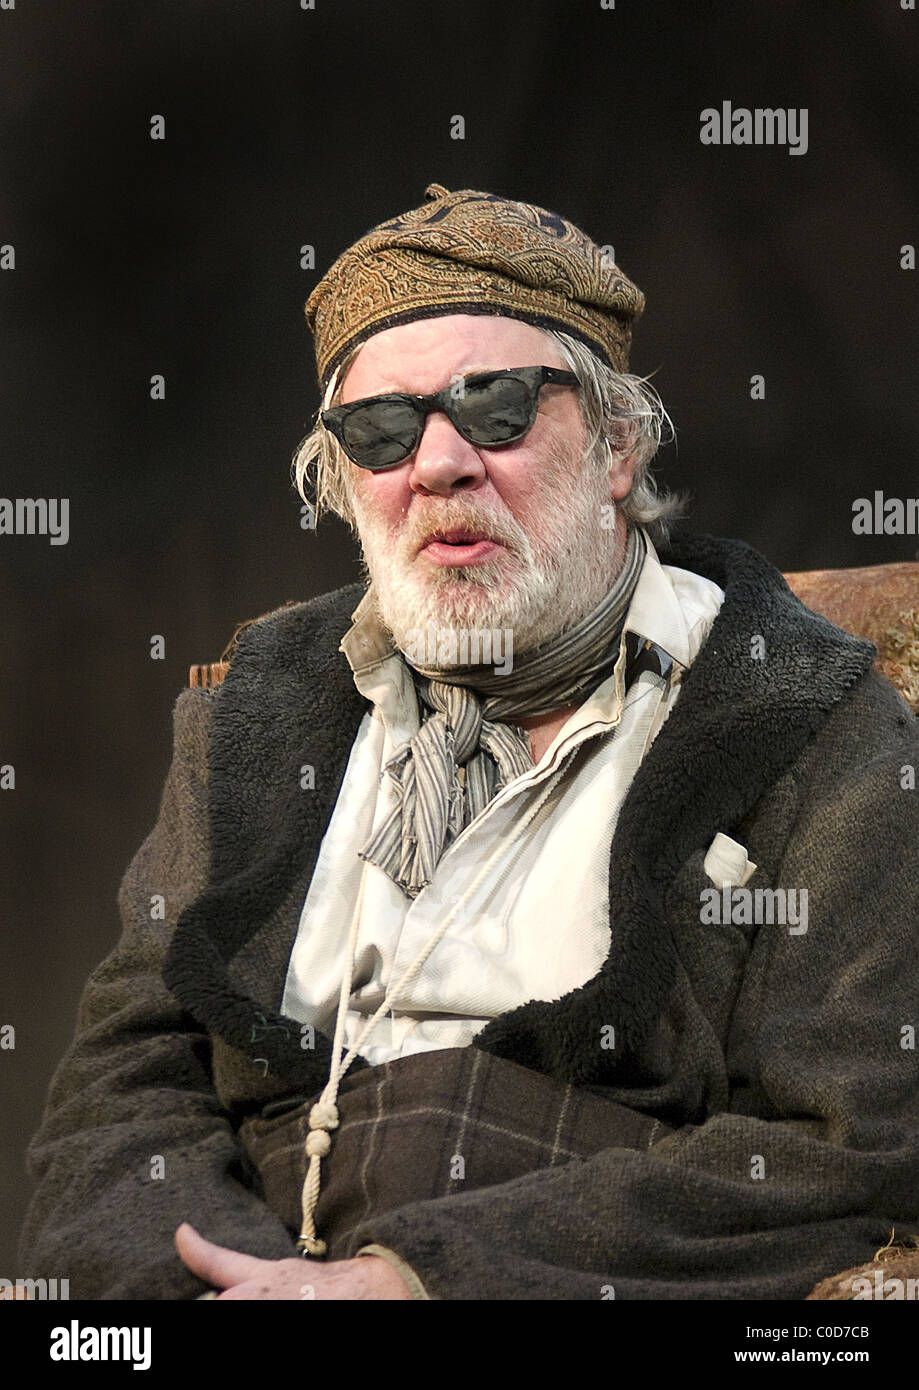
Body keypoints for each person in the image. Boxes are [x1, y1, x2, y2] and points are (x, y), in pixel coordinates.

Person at [18, 183, 919, 1301]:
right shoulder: (257, 717)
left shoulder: (803, 721)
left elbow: (852, 1143)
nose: (437, 464)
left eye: (493, 405)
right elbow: (124, 1086)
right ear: (345, 483)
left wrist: (424, 1281)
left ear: (619, 446)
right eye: (382, 430)